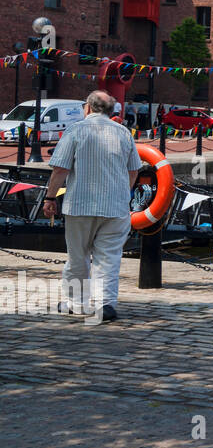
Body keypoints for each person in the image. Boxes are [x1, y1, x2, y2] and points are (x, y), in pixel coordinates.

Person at [43, 90, 141, 323]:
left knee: (78, 256)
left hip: (80, 205)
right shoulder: (123, 133)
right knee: (109, 257)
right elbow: (134, 170)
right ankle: (105, 304)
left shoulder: (76, 130)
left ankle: (76, 303)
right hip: (116, 208)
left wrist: (50, 198)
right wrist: (121, 194)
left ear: (88, 107)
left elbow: (60, 169)